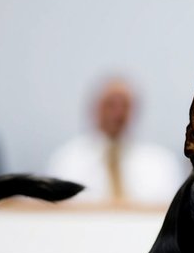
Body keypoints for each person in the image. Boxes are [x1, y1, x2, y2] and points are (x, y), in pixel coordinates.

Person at [46, 77, 184, 205]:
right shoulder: (66, 161)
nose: (118, 113)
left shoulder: (161, 163)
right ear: (95, 109)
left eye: (124, 105)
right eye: (110, 104)